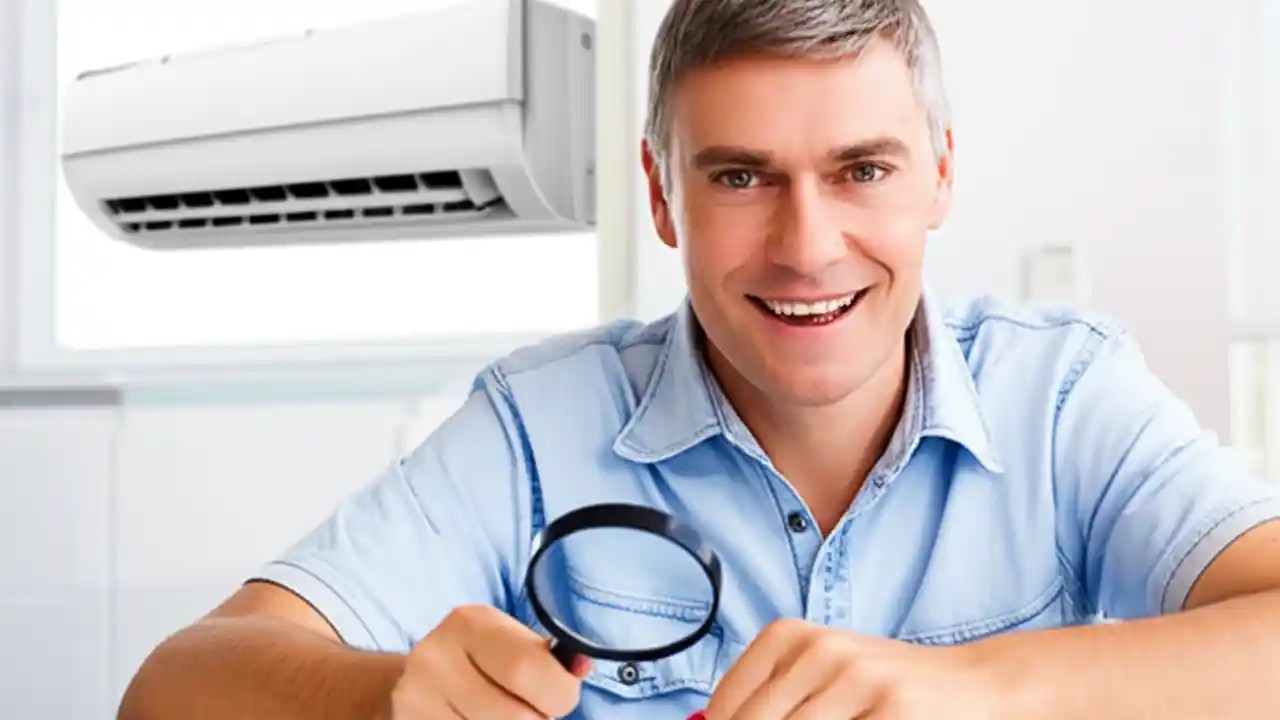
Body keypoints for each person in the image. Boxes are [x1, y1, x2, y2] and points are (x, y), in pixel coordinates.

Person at [118, 0, 1280, 718]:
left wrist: (966, 692)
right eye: (739, 176)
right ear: (661, 195)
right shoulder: (537, 427)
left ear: (938, 174)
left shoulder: (1062, 394)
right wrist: (386, 701)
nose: (805, 246)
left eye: (861, 170)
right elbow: (173, 688)